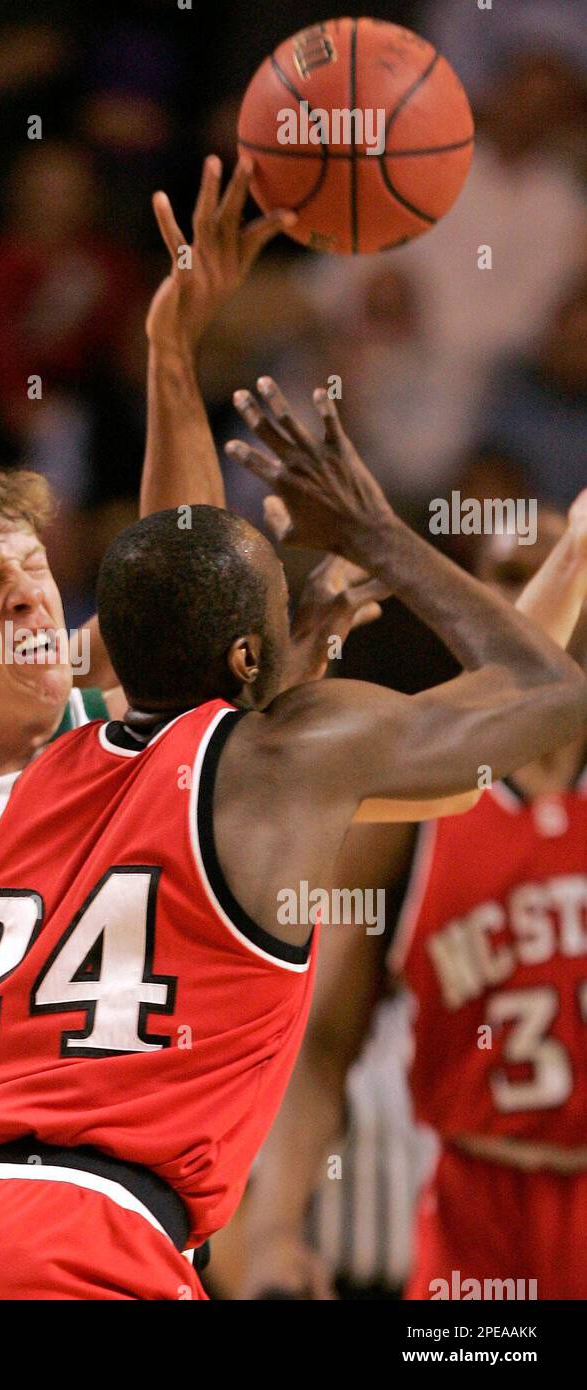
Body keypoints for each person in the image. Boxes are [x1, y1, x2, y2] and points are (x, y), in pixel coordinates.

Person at [0, 381, 587, 1300]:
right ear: (254, 659)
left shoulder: (42, 756)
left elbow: (188, 729)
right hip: (80, 1240)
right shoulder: (285, 761)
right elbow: (540, 689)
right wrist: (373, 532)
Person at [241, 493, 587, 1302]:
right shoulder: (406, 815)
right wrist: (273, 1231)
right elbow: (321, 1046)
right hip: (474, 1209)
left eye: (559, 568)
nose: (535, 596)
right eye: (506, 576)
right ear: (468, 606)